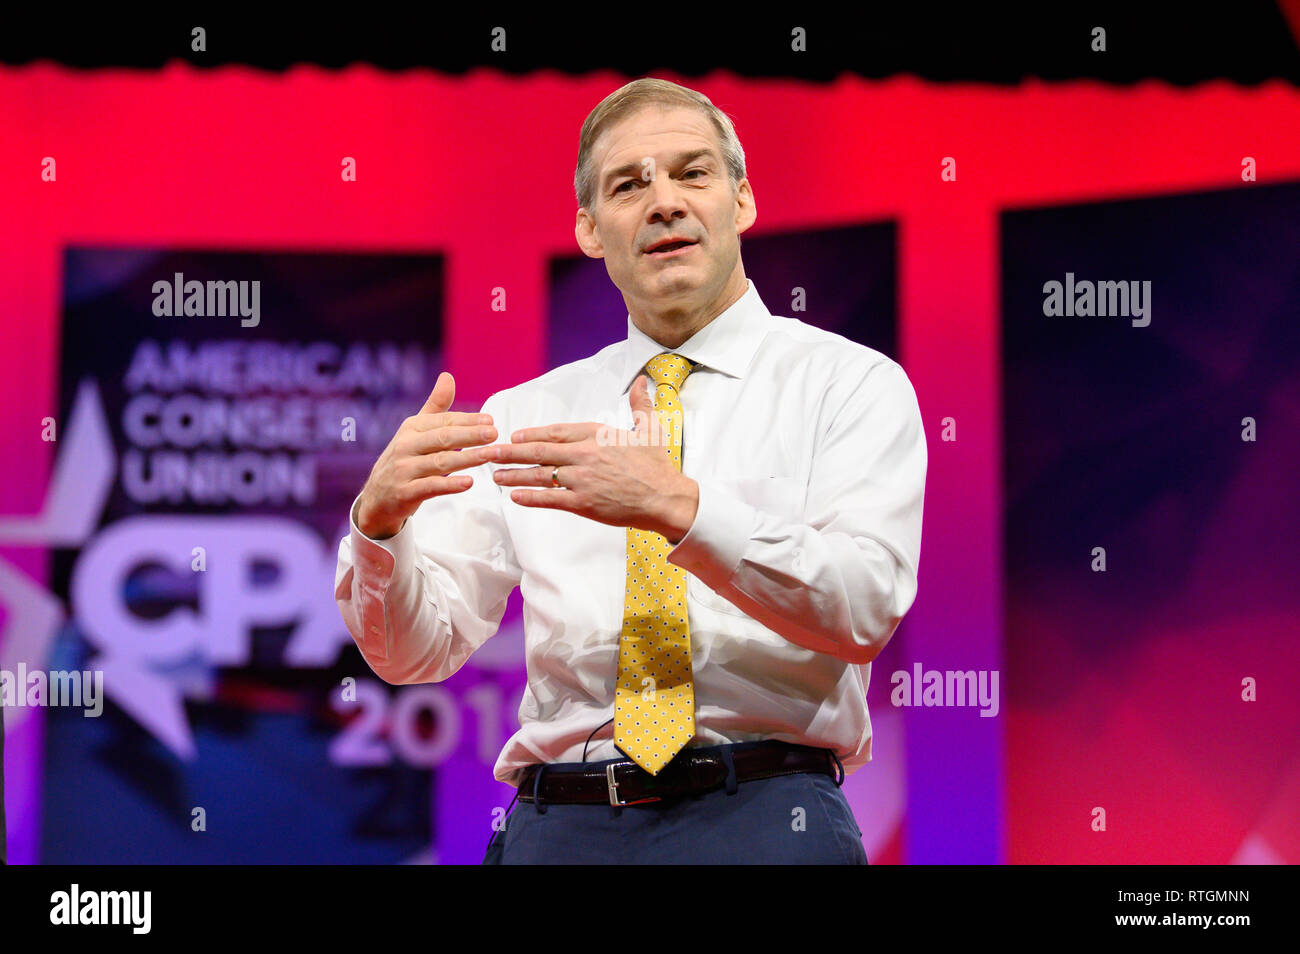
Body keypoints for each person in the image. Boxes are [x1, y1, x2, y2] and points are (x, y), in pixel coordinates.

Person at [334, 78, 926, 864]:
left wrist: (679, 507)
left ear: (742, 200)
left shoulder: (847, 385)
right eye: (628, 185)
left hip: (769, 817)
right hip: (560, 824)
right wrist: (378, 528)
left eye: (693, 173)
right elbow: (414, 652)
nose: (664, 202)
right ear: (589, 228)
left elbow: (866, 605)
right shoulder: (526, 416)